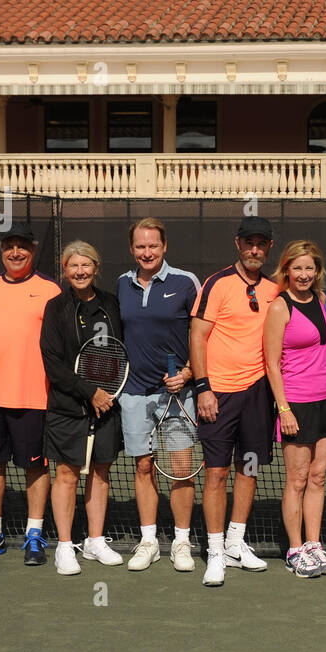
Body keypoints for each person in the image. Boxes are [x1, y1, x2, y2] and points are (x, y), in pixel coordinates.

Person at [0, 219, 62, 566]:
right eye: (9, 246)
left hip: (35, 398)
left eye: (22, 246)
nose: (15, 252)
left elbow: (60, 345)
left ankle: (35, 533)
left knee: (35, 467)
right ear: (1, 251)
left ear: (33, 250)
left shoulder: (51, 290)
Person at [191, 216, 280, 586]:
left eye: (261, 243)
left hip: (258, 394)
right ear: (238, 244)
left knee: (249, 468)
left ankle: (235, 543)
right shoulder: (216, 283)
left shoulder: (275, 289)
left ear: (269, 248)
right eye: (249, 242)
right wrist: (203, 387)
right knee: (216, 473)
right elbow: (197, 336)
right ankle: (214, 552)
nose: (254, 249)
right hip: (219, 393)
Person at [117, 217, 201, 573]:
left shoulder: (186, 282)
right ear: (132, 249)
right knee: (142, 466)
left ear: (164, 247)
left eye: (153, 246)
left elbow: (202, 335)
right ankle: (149, 540)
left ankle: (182, 541)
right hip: (134, 394)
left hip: (177, 394)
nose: (147, 252)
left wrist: (187, 373)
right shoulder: (122, 284)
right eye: (140, 246)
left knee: (181, 470)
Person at [40, 241, 127, 576]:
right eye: (73, 266)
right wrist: (89, 392)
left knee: (101, 471)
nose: (80, 272)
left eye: (86, 265)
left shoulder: (111, 304)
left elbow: (120, 351)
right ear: (65, 269)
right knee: (66, 474)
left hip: (107, 406)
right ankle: (65, 545)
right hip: (68, 406)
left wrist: (106, 394)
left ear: (96, 267)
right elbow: (52, 360)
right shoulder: (56, 307)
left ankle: (95, 540)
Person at [264, 240, 326, 578]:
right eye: (298, 268)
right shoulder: (280, 307)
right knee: (297, 479)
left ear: (317, 271)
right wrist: (284, 409)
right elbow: (272, 363)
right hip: (296, 403)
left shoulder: (321, 301)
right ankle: (295, 549)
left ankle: (313, 543)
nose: (304, 274)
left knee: (318, 477)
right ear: (287, 270)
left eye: (310, 268)